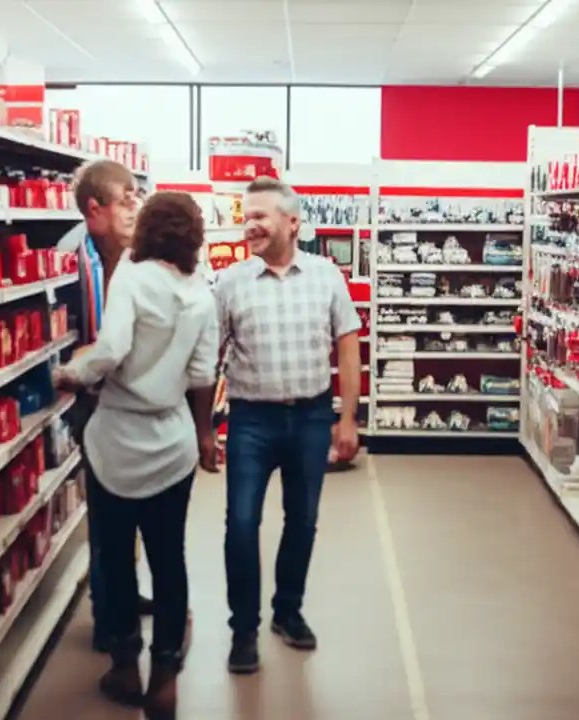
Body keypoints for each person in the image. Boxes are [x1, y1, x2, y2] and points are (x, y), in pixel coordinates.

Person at [54, 191, 220, 720]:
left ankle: (125, 666)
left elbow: (111, 349)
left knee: (117, 557)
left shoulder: (131, 272)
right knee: (170, 561)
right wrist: (202, 435)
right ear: (193, 239)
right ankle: (166, 675)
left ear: (146, 230)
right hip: (170, 442)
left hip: (117, 440)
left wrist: (71, 373)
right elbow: (202, 375)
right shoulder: (200, 292)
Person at [214, 176, 362, 674]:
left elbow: (347, 345)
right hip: (251, 419)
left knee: (302, 520)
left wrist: (347, 418)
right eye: (245, 215)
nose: (248, 224)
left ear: (293, 222)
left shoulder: (326, 276)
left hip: (312, 416)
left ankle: (288, 612)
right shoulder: (230, 282)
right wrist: (200, 426)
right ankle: (243, 631)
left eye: (260, 215)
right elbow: (211, 356)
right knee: (240, 524)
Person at [55, 160, 152, 653]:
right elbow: (53, 338)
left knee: (136, 511)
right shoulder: (69, 259)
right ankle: (108, 618)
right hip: (92, 406)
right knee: (106, 517)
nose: (138, 204)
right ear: (95, 209)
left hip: (136, 402)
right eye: (128, 197)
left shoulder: (142, 259)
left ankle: (127, 595)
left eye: (138, 195)